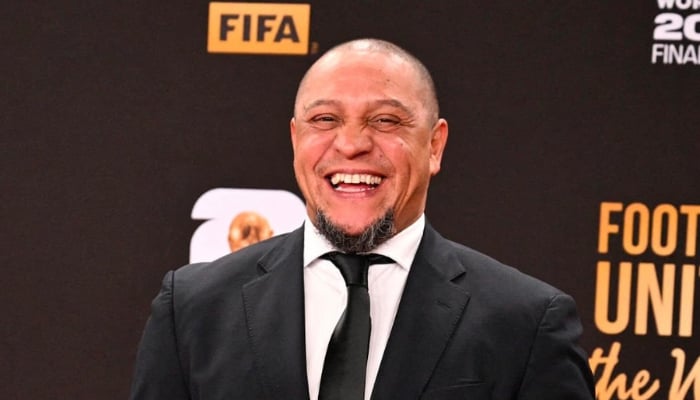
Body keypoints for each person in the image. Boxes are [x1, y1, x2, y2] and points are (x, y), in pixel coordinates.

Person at [130, 38, 595, 400]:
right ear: (295, 139)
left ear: (434, 146)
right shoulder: (192, 309)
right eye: (325, 120)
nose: (352, 144)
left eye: (386, 121)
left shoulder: (525, 324)